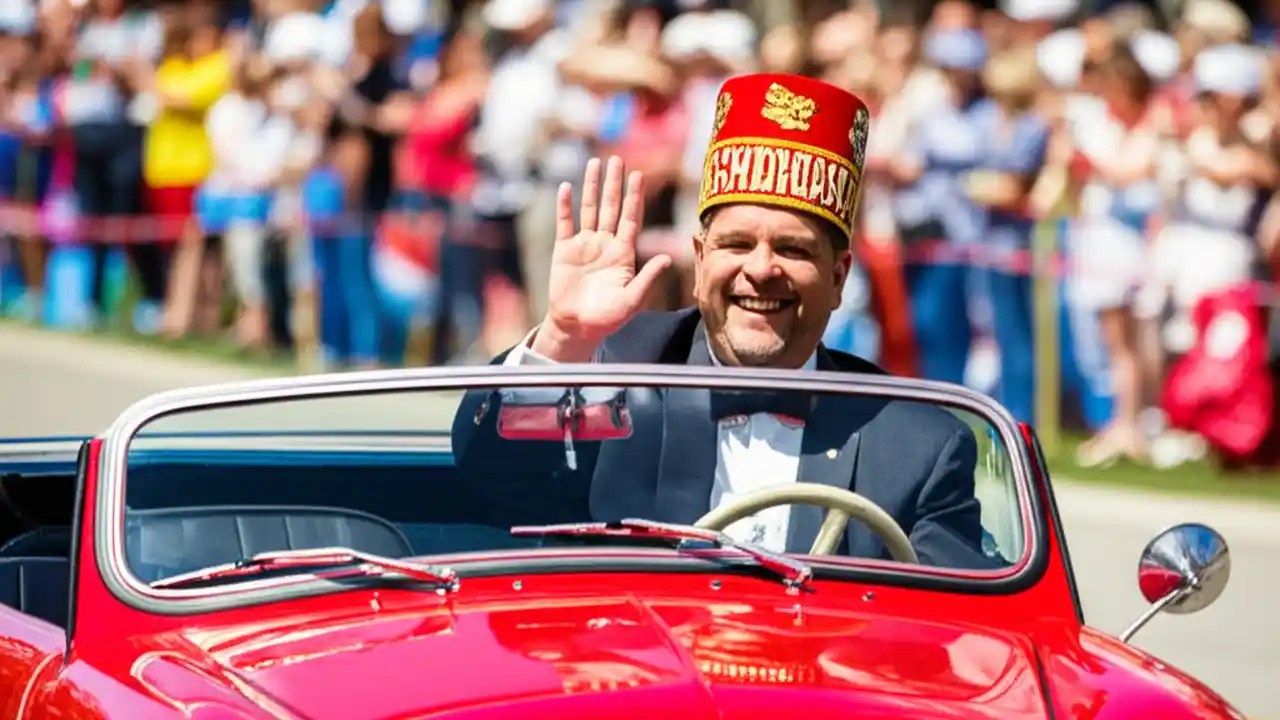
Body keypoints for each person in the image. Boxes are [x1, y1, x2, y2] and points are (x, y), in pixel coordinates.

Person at [452, 73, 997, 570]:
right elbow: (492, 477)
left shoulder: (916, 444)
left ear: (838, 278)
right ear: (699, 258)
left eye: (793, 249)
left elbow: (955, 636)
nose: (761, 270)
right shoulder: (617, 372)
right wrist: (563, 339)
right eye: (736, 243)